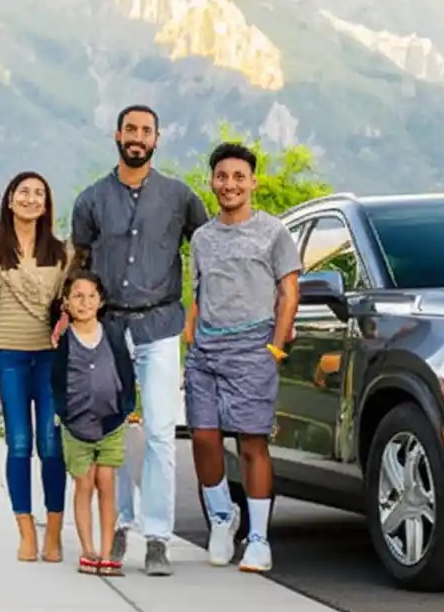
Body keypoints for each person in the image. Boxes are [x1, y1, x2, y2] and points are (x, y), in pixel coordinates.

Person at [66, 104, 210, 576]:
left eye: (146, 131)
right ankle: (121, 523)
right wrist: (66, 316)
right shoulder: (90, 200)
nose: (137, 137)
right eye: (130, 129)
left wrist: (196, 310)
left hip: (161, 326)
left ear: (156, 139)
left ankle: (158, 538)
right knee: (114, 433)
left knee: (161, 434)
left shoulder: (181, 198)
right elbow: (79, 263)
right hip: (107, 333)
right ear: (117, 135)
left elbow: (207, 252)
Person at [184, 141, 301, 573]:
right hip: (206, 352)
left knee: (251, 443)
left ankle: (257, 539)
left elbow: (289, 292)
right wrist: (190, 337)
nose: (229, 184)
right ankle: (221, 516)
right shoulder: (201, 238)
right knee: (202, 438)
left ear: (252, 182)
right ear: (212, 181)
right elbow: (197, 293)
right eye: (222, 176)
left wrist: (274, 347)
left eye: (238, 177)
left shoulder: (273, 232)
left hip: (254, 349)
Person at [0, 171, 72, 563]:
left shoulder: (63, 252)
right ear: (10, 199)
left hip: (49, 358)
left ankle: (54, 534)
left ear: (46, 205)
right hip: (8, 355)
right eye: (24, 192)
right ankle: (26, 533)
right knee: (18, 443)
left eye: (39, 194)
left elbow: (68, 308)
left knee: (51, 445)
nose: (31, 199)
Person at [50, 270, 137, 577]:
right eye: (77, 296)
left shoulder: (113, 333)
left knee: (107, 484)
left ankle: (106, 550)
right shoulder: (62, 340)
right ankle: (87, 549)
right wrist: (63, 412)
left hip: (111, 422)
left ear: (101, 301)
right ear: (67, 303)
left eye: (91, 296)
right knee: (84, 483)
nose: (84, 302)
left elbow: (126, 369)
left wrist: (129, 406)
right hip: (76, 426)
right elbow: (57, 380)